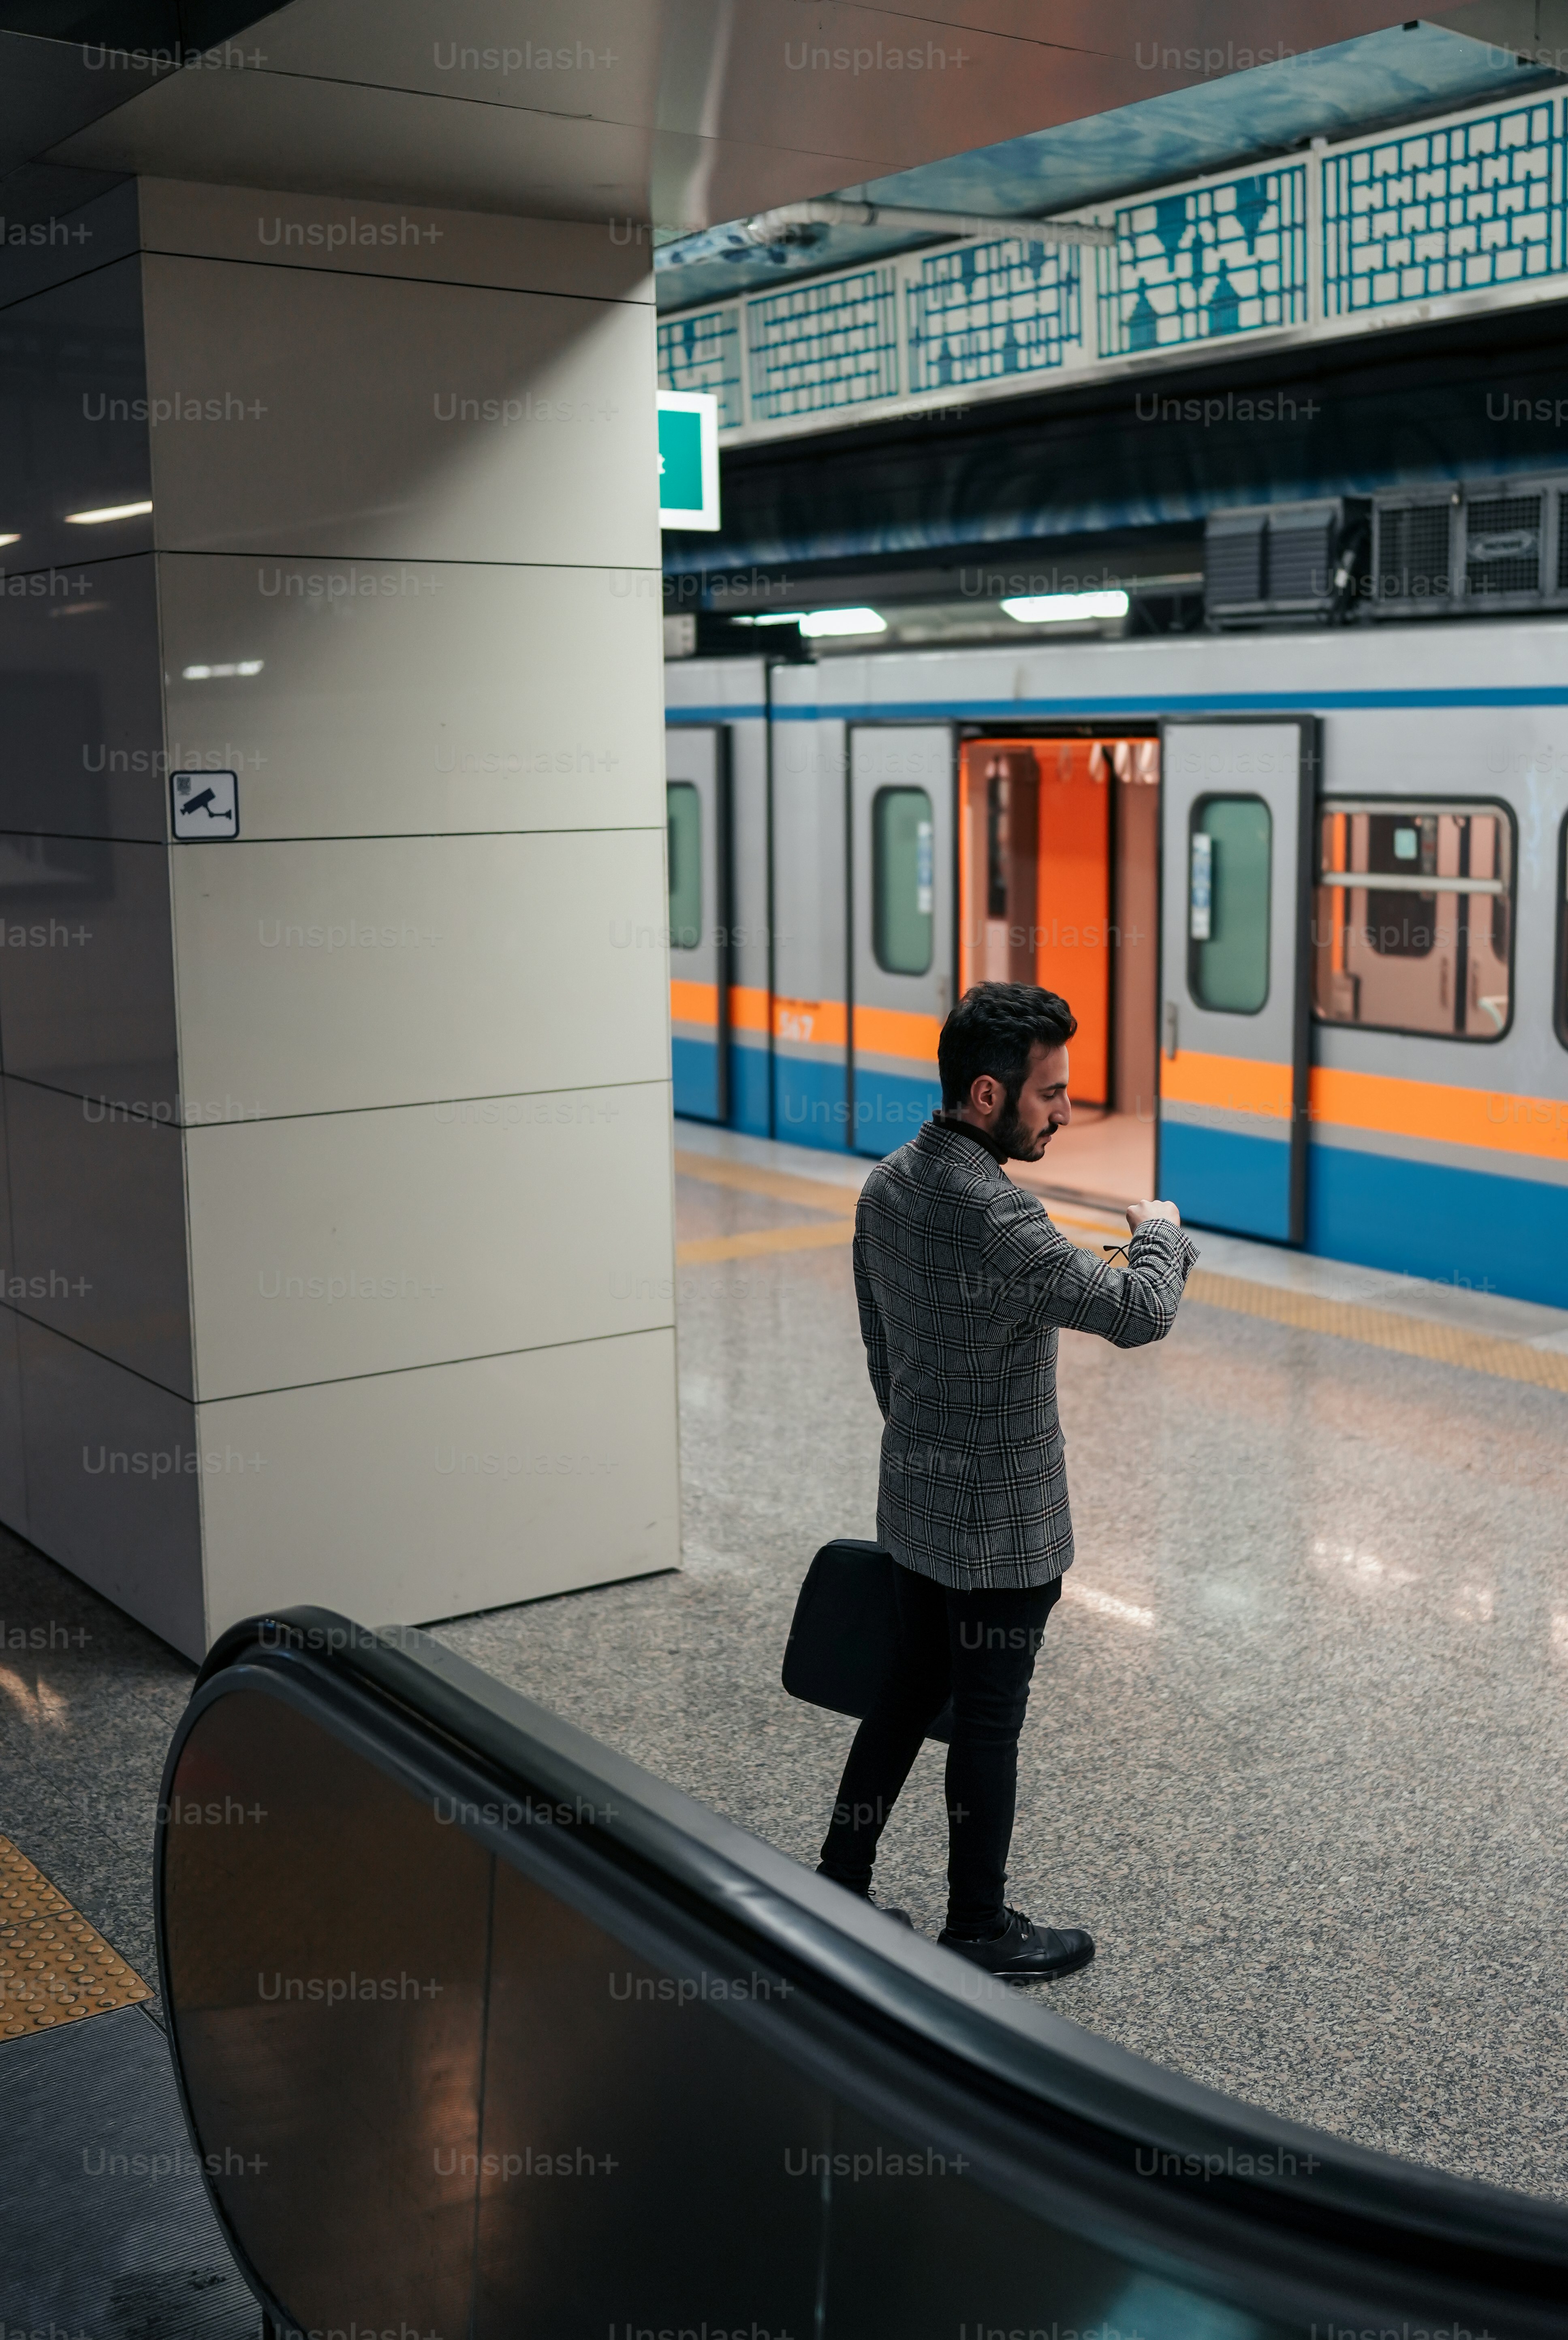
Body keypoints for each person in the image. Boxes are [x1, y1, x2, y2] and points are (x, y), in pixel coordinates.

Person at [816, 981, 1197, 1977]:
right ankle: (979, 1928)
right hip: (1004, 1534)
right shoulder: (1004, 1219)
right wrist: (1158, 1226)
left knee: (905, 1688)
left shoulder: (888, 1184)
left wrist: (923, 1449)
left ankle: (839, 1876)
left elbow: (881, 1352)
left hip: (915, 1505)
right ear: (987, 1095)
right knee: (987, 1721)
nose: (1066, 1113)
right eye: (1051, 1095)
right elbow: (1139, 1310)